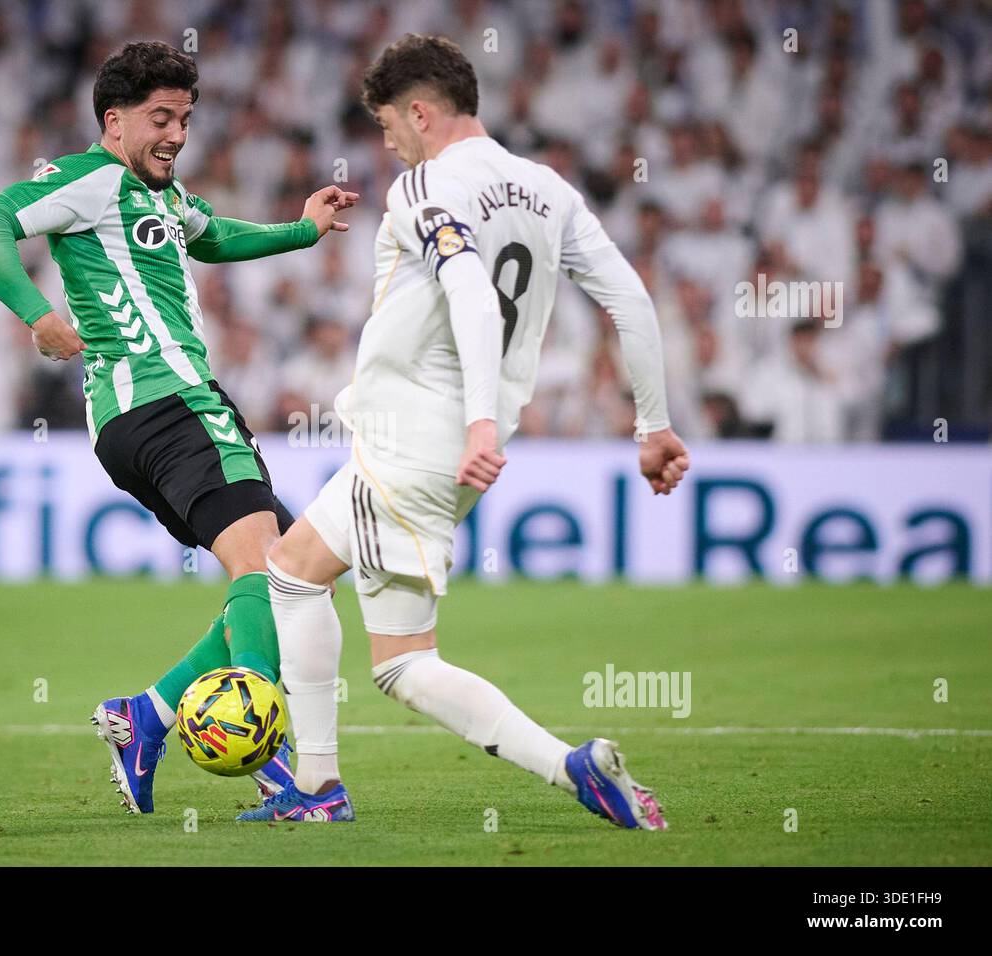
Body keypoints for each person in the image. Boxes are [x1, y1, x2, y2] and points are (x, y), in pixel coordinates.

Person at [240, 35, 688, 828]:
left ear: (419, 112)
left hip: (420, 435)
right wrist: (652, 426)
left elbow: (473, 293)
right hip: (451, 451)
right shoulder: (549, 190)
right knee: (376, 638)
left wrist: (479, 422)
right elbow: (632, 302)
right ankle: (574, 769)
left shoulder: (424, 186)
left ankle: (317, 790)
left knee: (302, 580)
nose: (386, 145)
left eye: (387, 126)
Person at [0, 41, 357, 815]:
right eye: (159, 118)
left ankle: (149, 715)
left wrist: (301, 229)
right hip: (168, 404)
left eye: (185, 119)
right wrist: (37, 315)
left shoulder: (159, 195)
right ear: (114, 120)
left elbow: (215, 236)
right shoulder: (91, 179)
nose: (176, 133)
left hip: (149, 418)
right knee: (269, 569)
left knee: (293, 574)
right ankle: (279, 763)